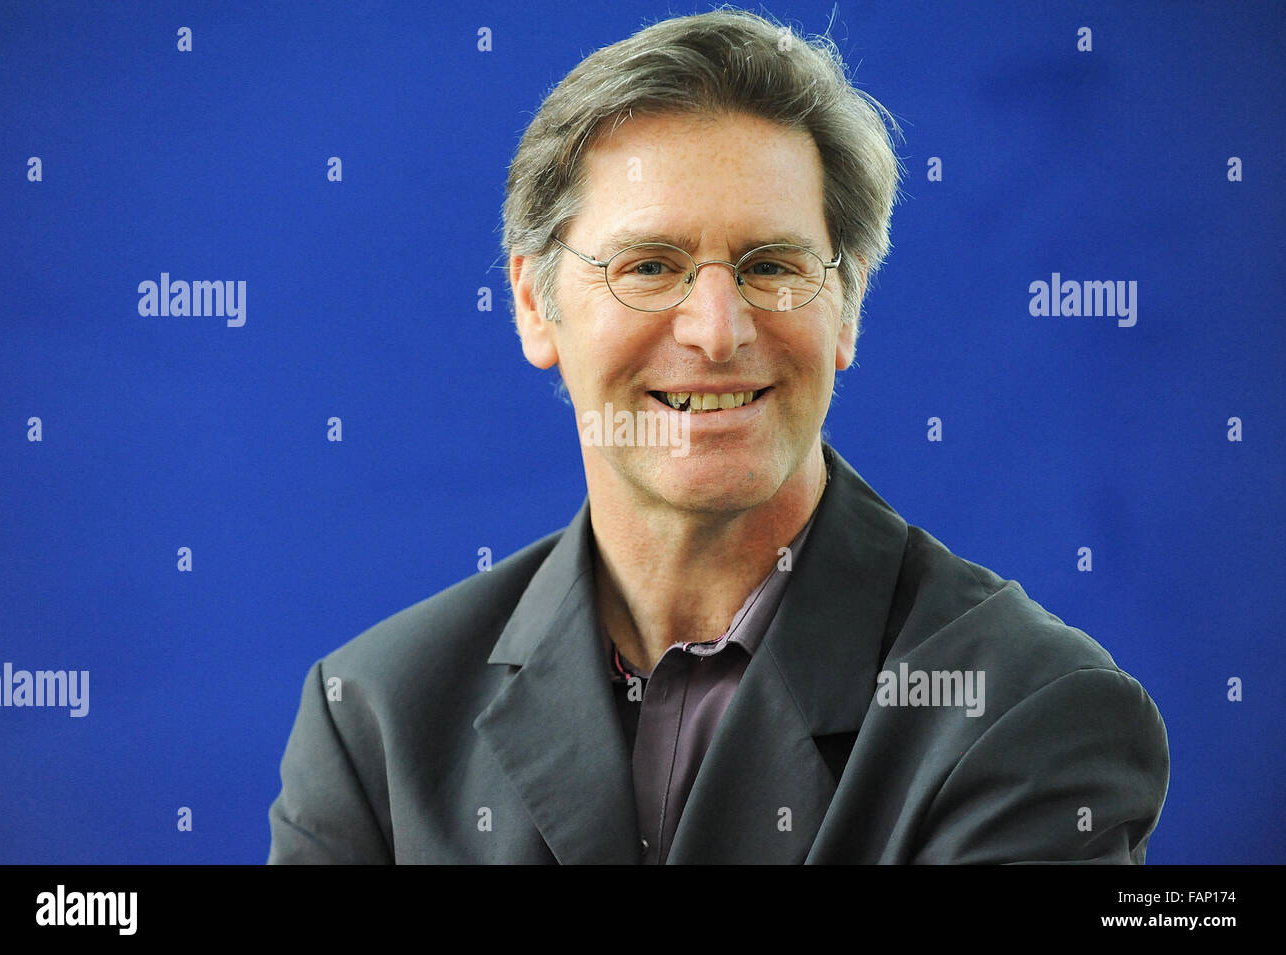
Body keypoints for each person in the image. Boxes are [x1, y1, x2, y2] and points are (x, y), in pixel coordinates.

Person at [267, 8, 1169, 864]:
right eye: (649, 266)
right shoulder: (374, 720)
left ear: (846, 305)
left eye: (771, 265)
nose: (716, 328)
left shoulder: (1029, 711)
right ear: (535, 304)